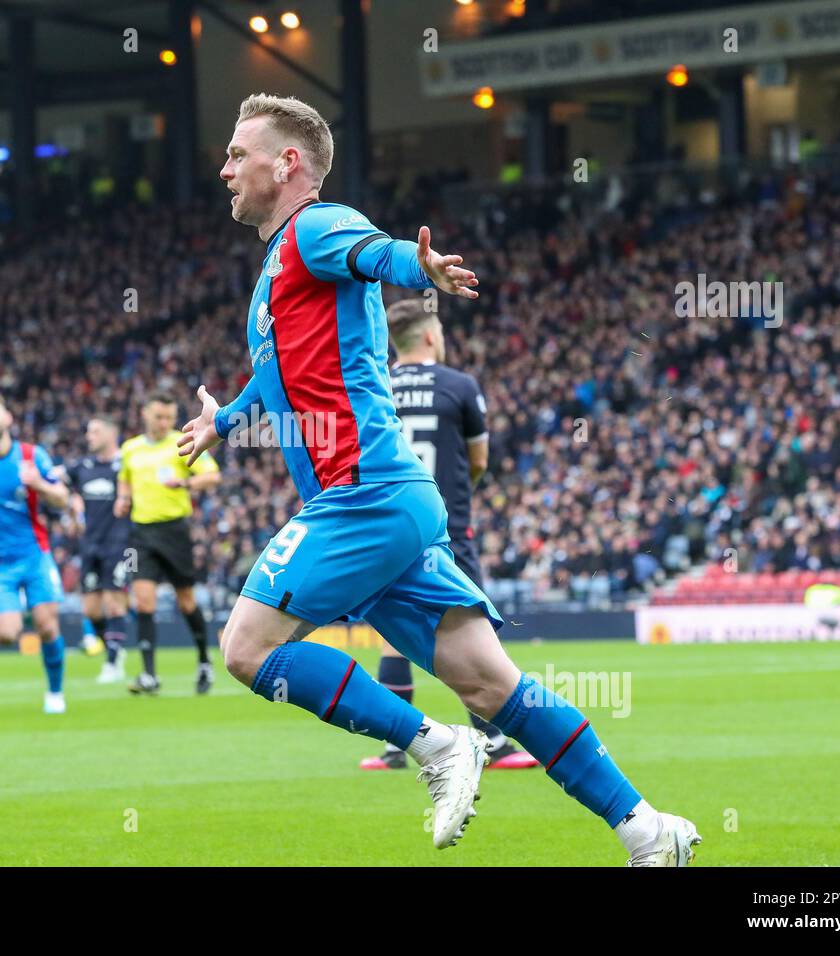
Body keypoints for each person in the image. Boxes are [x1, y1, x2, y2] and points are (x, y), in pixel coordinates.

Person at [177, 92, 700, 863]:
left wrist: (412, 263)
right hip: (393, 507)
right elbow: (278, 383)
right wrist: (222, 421)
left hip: (366, 495)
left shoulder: (314, 227)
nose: (223, 169)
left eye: (236, 153)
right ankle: (648, 831)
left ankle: (432, 742)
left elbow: (372, 250)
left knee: (247, 649)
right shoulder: (275, 269)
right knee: (496, 687)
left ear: (286, 163)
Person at [360, 297, 537, 772]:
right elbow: (478, 461)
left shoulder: (376, 386)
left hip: (389, 525)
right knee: (470, 628)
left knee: (392, 634)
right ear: (433, 336)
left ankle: (397, 746)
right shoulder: (460, 386)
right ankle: (493, 740)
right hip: (447, 525)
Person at [0, 390, 72, 714]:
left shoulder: (33, 456)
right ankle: (18, 604)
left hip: (35, 555)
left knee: (47, 628)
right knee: (6, 635)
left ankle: (55, 692)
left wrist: (40, 485)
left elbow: (62, 497)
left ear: (7, 418)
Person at [115, 393, 221, 695]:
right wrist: (123, 498)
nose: (164, 422)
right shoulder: (130, 448)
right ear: (145, 413)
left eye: (168, 417)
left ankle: (204, 661)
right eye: (159, 416)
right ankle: (148, 675)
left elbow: (212, 476)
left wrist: (186, 483)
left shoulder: (183, 441)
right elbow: (124, 479)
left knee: (185, 600)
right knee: (143, 600)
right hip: (140, 533)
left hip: (175, 530)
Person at [65, 416, 131, 683]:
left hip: (121, 543)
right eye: (88, 431)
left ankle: (113, 662)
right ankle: (114, 647)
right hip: (89, 545)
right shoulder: (82, 467)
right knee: (91, 610)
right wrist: (72, 499)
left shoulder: (126, 465)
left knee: (114, 604)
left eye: (95, 431)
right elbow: (56, 479)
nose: (88, 436)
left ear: (111, 434)